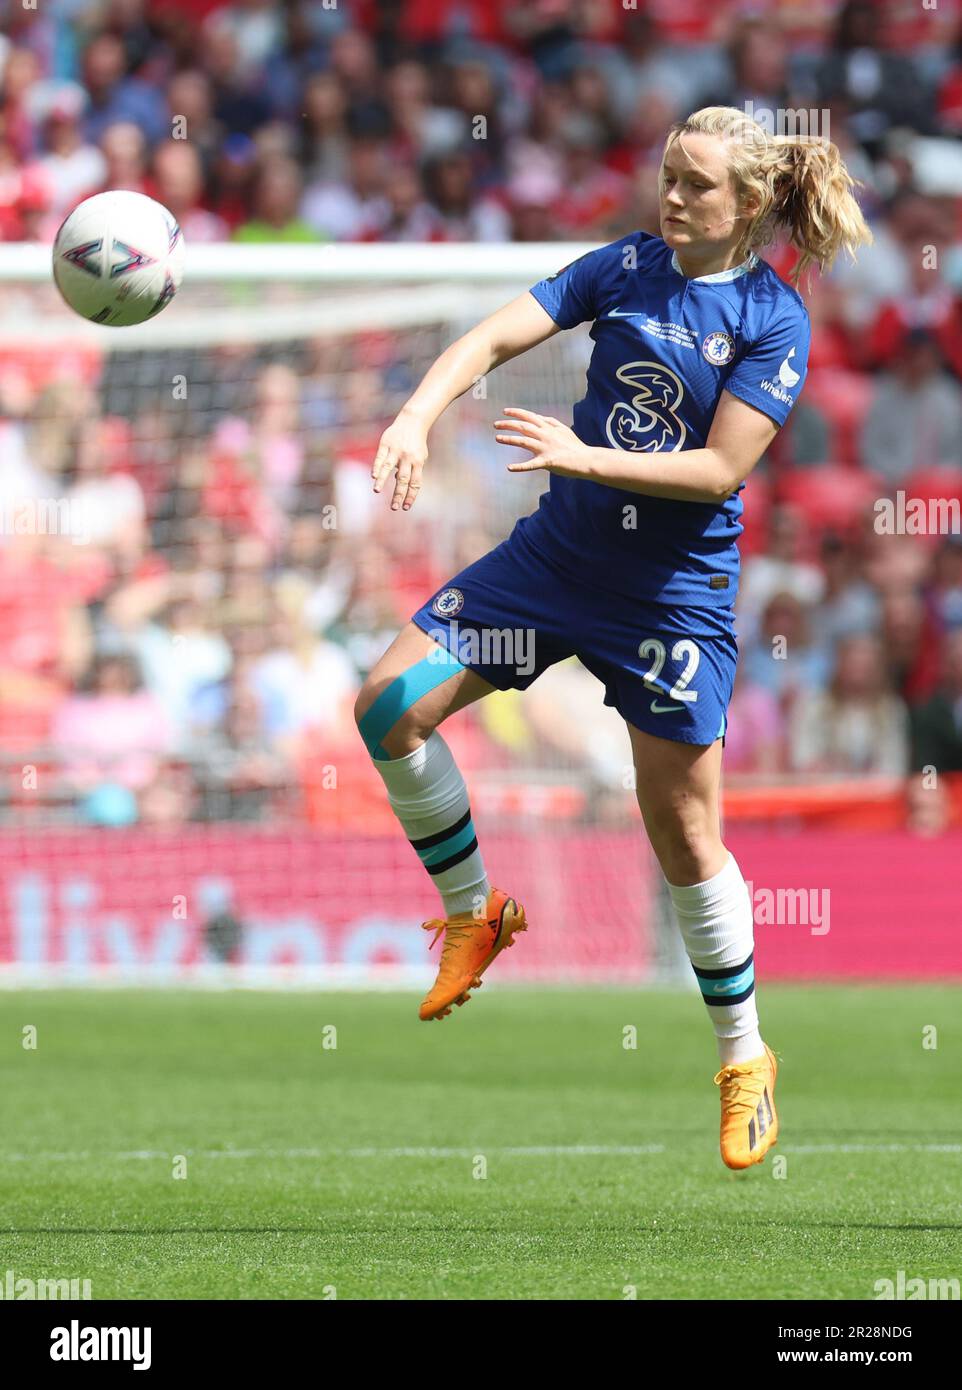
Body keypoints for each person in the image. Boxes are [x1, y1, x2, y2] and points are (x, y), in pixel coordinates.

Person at [354, 106, 872, 1170]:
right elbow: (498, 332)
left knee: (683, 843)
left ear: (748, 206)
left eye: (694, 184)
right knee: (387, 709)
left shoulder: (773, 320)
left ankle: (742, 1057)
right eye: (666, 175)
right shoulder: (626, 265)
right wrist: (414, 413)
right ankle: (474, 915)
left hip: (665, 602)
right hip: (553, 572)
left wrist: (579, 455)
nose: (669, 196)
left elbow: (719, 470)